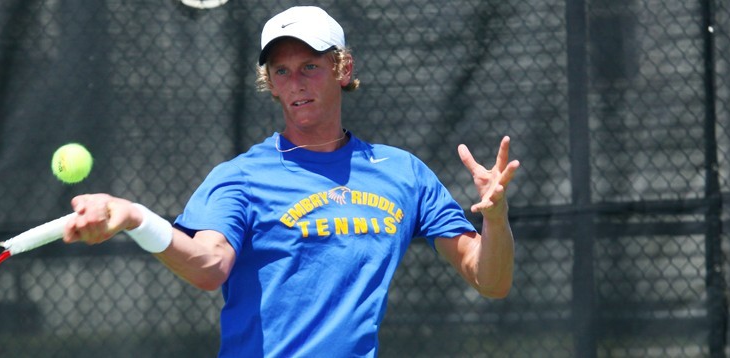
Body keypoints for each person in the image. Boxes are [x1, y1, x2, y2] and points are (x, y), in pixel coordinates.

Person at [63, 5, 519, 357]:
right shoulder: (240, 178)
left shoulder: (402, 173)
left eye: (310, 67)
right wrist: (137, 218)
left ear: (343, 69)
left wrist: (495, 220)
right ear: (271, 84)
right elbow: (208, 265)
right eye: (281, 71)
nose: (296, 83)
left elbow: (491, 281)